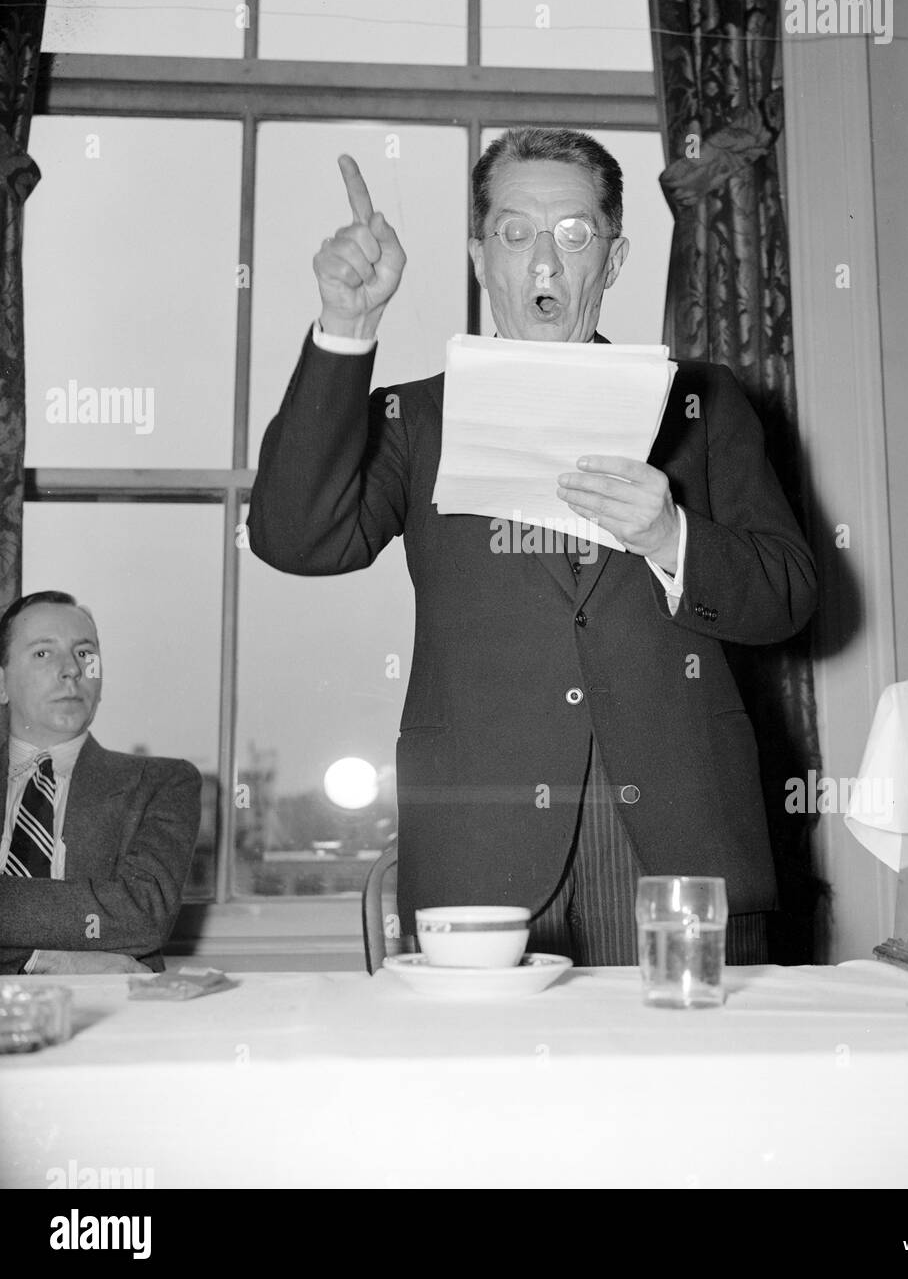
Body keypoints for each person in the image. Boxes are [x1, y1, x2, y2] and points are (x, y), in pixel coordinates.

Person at [249, 127, 817, 965]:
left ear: (614, 260)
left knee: (698, 1094)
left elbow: (790, 597)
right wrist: (346, 326)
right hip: (481, 858)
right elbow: (294, 537)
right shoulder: (417, 421)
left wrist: (672, 537)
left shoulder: (703, 404)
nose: (544, 262)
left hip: (678, 853)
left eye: (574, 234)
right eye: (515, 233)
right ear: (480, 257)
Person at [0, 591, 201, 974]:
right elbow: (113, 919)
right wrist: (48, 959)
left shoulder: (163, 783)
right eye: (43, 653)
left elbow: (143, 917)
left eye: (84, 654)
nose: (72, 670)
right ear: (2, 684)